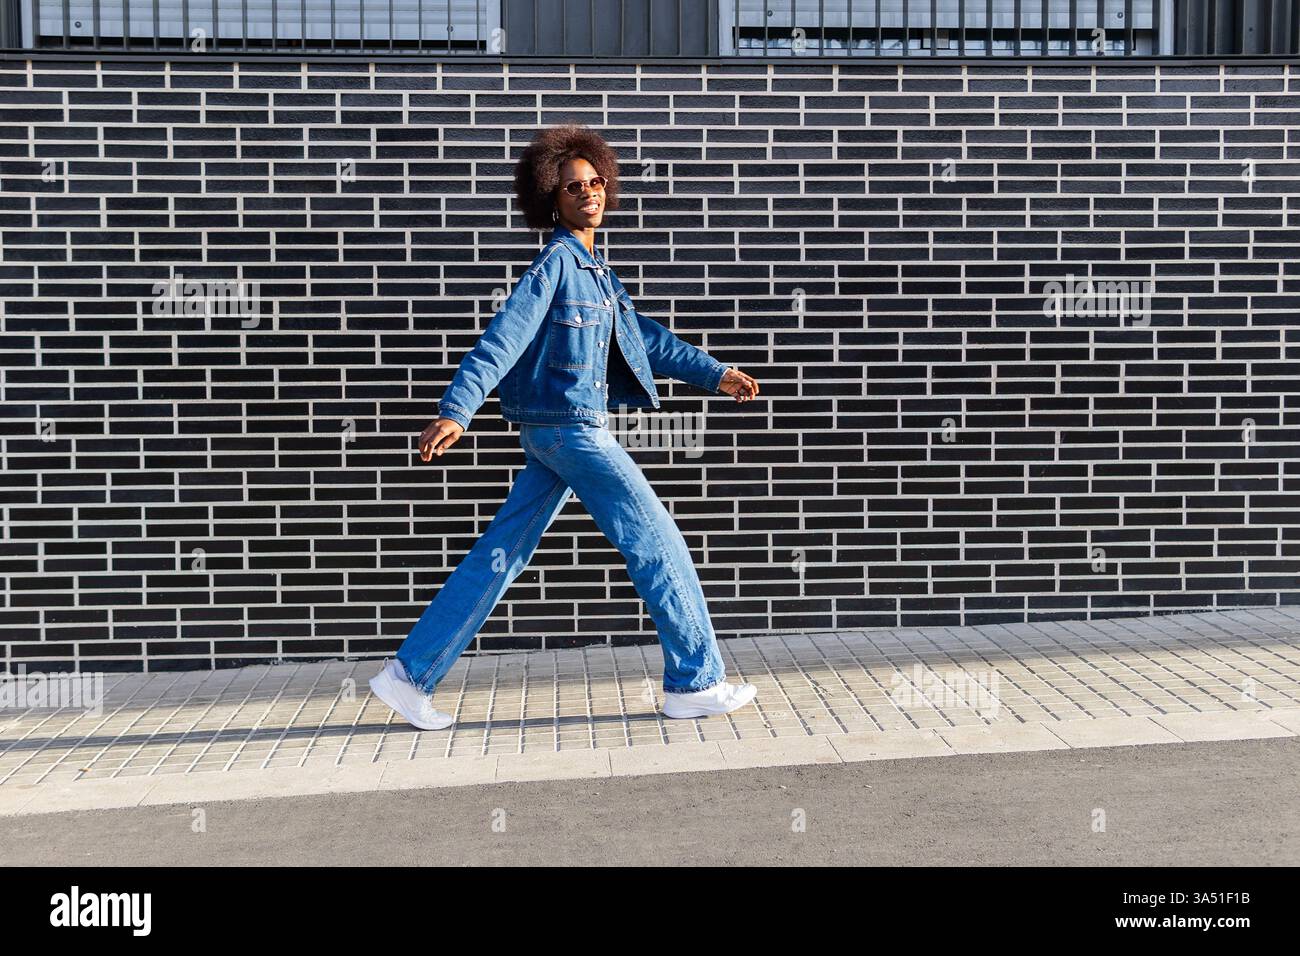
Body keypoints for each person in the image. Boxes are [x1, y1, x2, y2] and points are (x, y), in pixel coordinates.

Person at [369, 123, 762, 731]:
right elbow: (504, 337)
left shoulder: (596, 272)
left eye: (597, 182)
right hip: (572, 430)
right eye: (576, 186)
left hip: (553, 434)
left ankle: (408, 676)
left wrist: (715, 373)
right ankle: (695, 681)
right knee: (658, 544)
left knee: (500, 555)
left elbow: (644, 340)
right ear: (551, 196)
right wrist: (457, 407)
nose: (590, 193)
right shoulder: (555, 264)